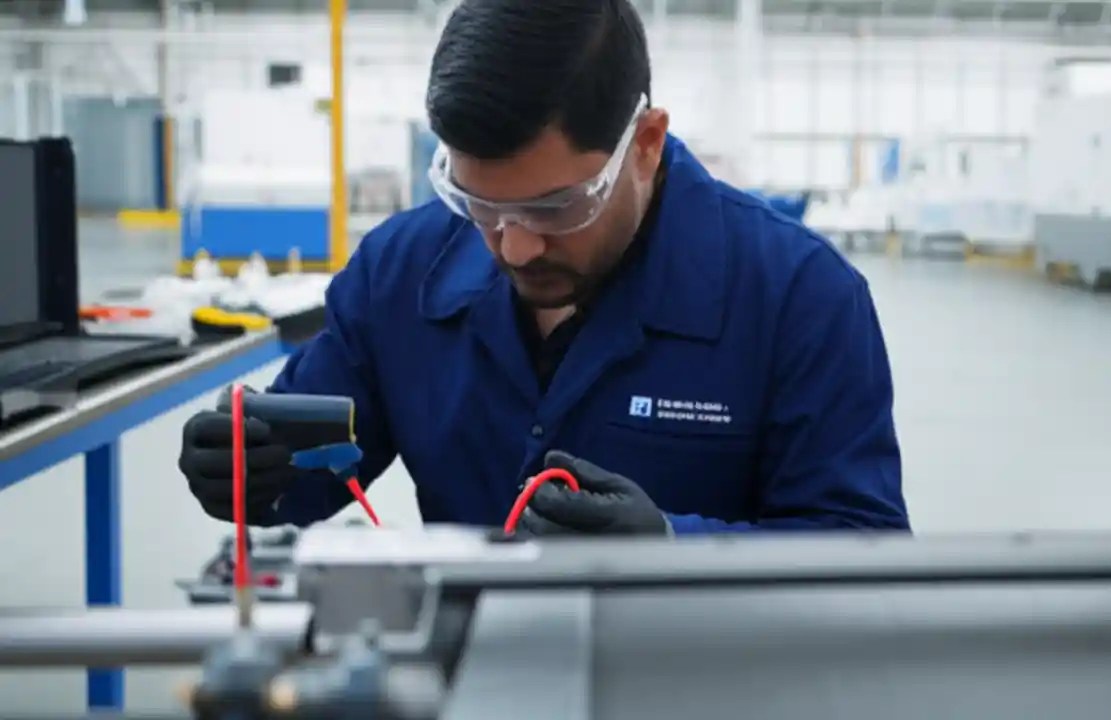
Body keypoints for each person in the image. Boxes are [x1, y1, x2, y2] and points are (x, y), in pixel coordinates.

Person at [179, 0, 909, 535]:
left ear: (647, 142)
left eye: (557, 207)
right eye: (478, 204)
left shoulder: (799, 297)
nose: (514, 246)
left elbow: (863, 552)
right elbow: (316, 470)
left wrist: (671, 551)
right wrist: (250, 473)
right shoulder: (400, 274)